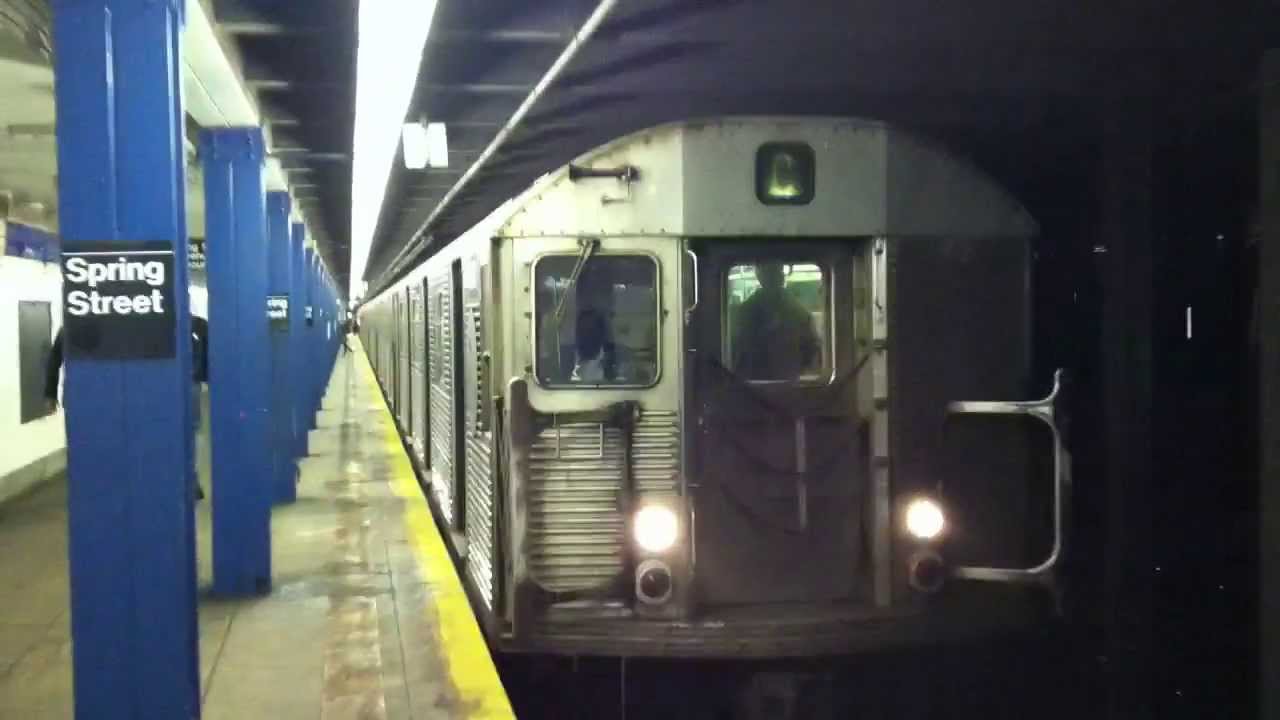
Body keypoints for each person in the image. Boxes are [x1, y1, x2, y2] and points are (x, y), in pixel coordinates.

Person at [46, 314, 210, 500]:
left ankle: (182, 479)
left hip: (180, 387)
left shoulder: (190, 324)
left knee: (187, 434)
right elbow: (55, 359)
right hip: (94, 398)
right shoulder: (78, 328)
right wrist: (50, 392)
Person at [729, 262, 820, 381]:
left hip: (751, 382)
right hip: (788, 379)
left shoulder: (744, 311)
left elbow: (734, 350)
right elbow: (811, 350)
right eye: (777, 272)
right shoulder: (799, 312)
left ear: (759, 277)